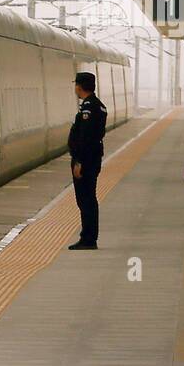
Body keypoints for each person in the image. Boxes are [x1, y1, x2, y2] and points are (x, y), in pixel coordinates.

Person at [68, 71, 106, 250]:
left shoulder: (89, 108)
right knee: (88, 199)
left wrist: (79, 162)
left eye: (76, 84)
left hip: (86, 161)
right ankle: (88, 236)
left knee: (86, 199)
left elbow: (86, 138)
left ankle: (88, 238)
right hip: (92, 159)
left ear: (80, 86)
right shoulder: (98, 106)